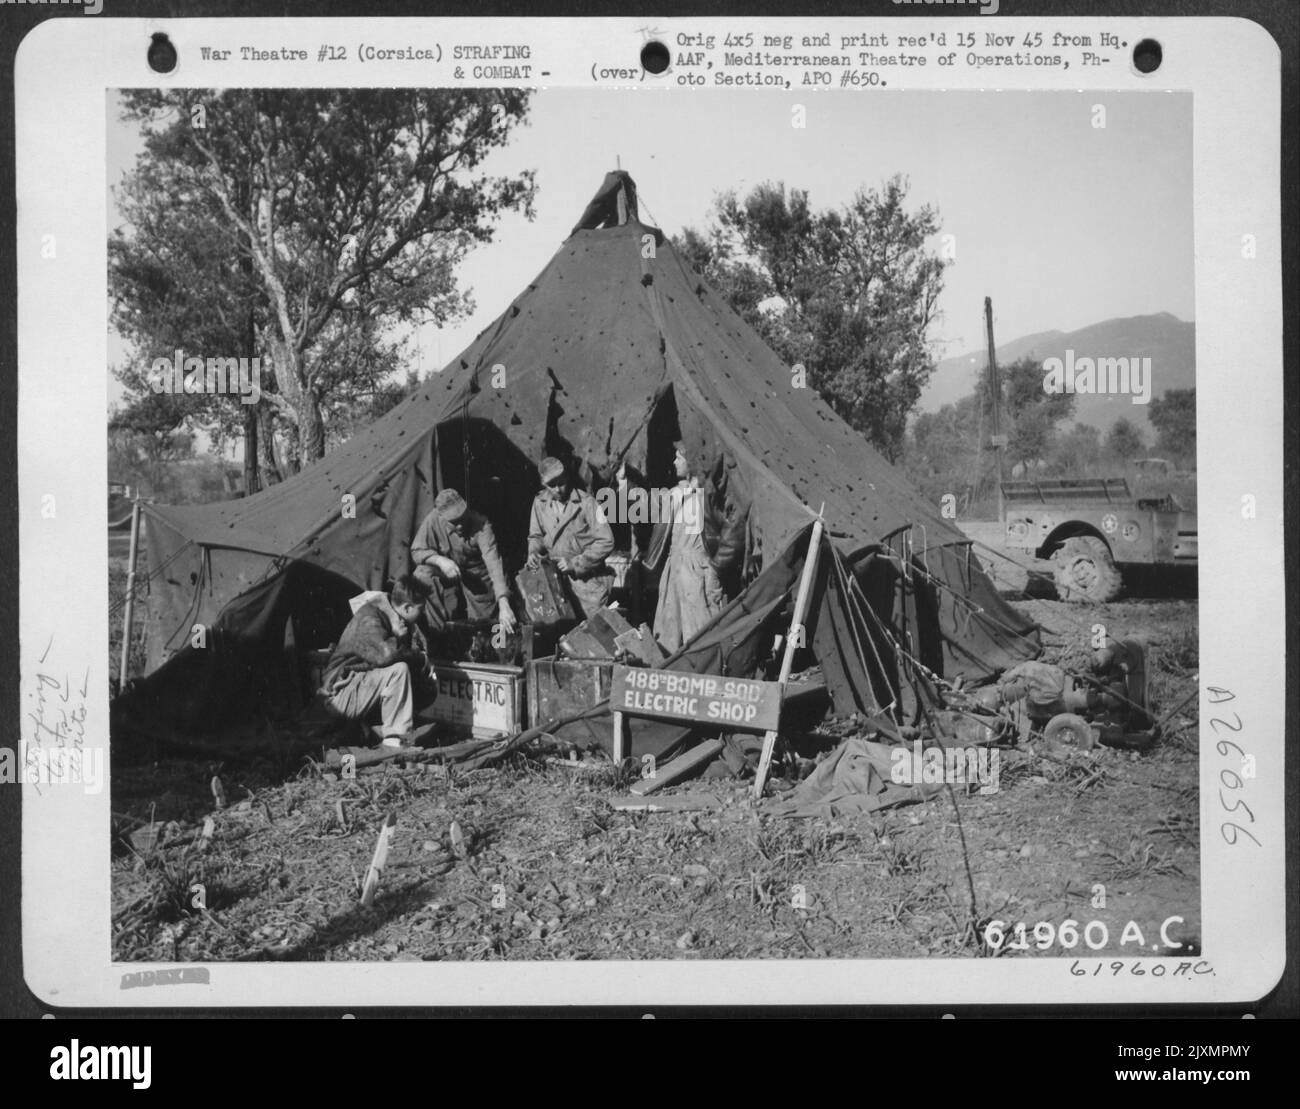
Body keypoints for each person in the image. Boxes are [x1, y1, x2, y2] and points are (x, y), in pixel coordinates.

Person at [319, 574, 432, 748]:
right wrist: (417, 655)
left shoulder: (394, 618)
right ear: (408, 608)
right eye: (421, 609)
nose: (422, 614)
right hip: (339, 694)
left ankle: (372, 730)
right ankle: (396, 739)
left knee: (408, 672)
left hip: (355, 685)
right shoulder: (370, 617)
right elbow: (386, 656)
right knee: (399, 670)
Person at [644, 444, 726, 653]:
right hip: (675, 567)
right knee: (668, 629)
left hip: (698, 567)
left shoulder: (708, 494)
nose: (674, 462)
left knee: (700, 628)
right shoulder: (674, 494)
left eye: (679, 458)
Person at [411, 488, 517, 635]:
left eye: (462, 518)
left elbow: (494, 564)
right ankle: (438, 635)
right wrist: (440, 561)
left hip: (478, 574)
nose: (460, 525)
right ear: (441, 516)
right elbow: (417, 551)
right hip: (449, 570)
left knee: (486, 625)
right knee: (422, 573)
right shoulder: (433, 519)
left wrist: (504, 603)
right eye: (454, 522)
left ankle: (492, 651)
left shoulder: (481, 523)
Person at [526, 456, 615, 618]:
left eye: (561, 483)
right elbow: (536, 535)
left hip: (587, 588)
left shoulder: (588, 503)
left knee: (591, 639)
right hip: (556, 587)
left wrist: (575, 563)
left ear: (567, 478)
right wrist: (533, 553)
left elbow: (607, 541)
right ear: (543, 485)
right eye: (552, 485)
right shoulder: (540, 503)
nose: (558, 489)